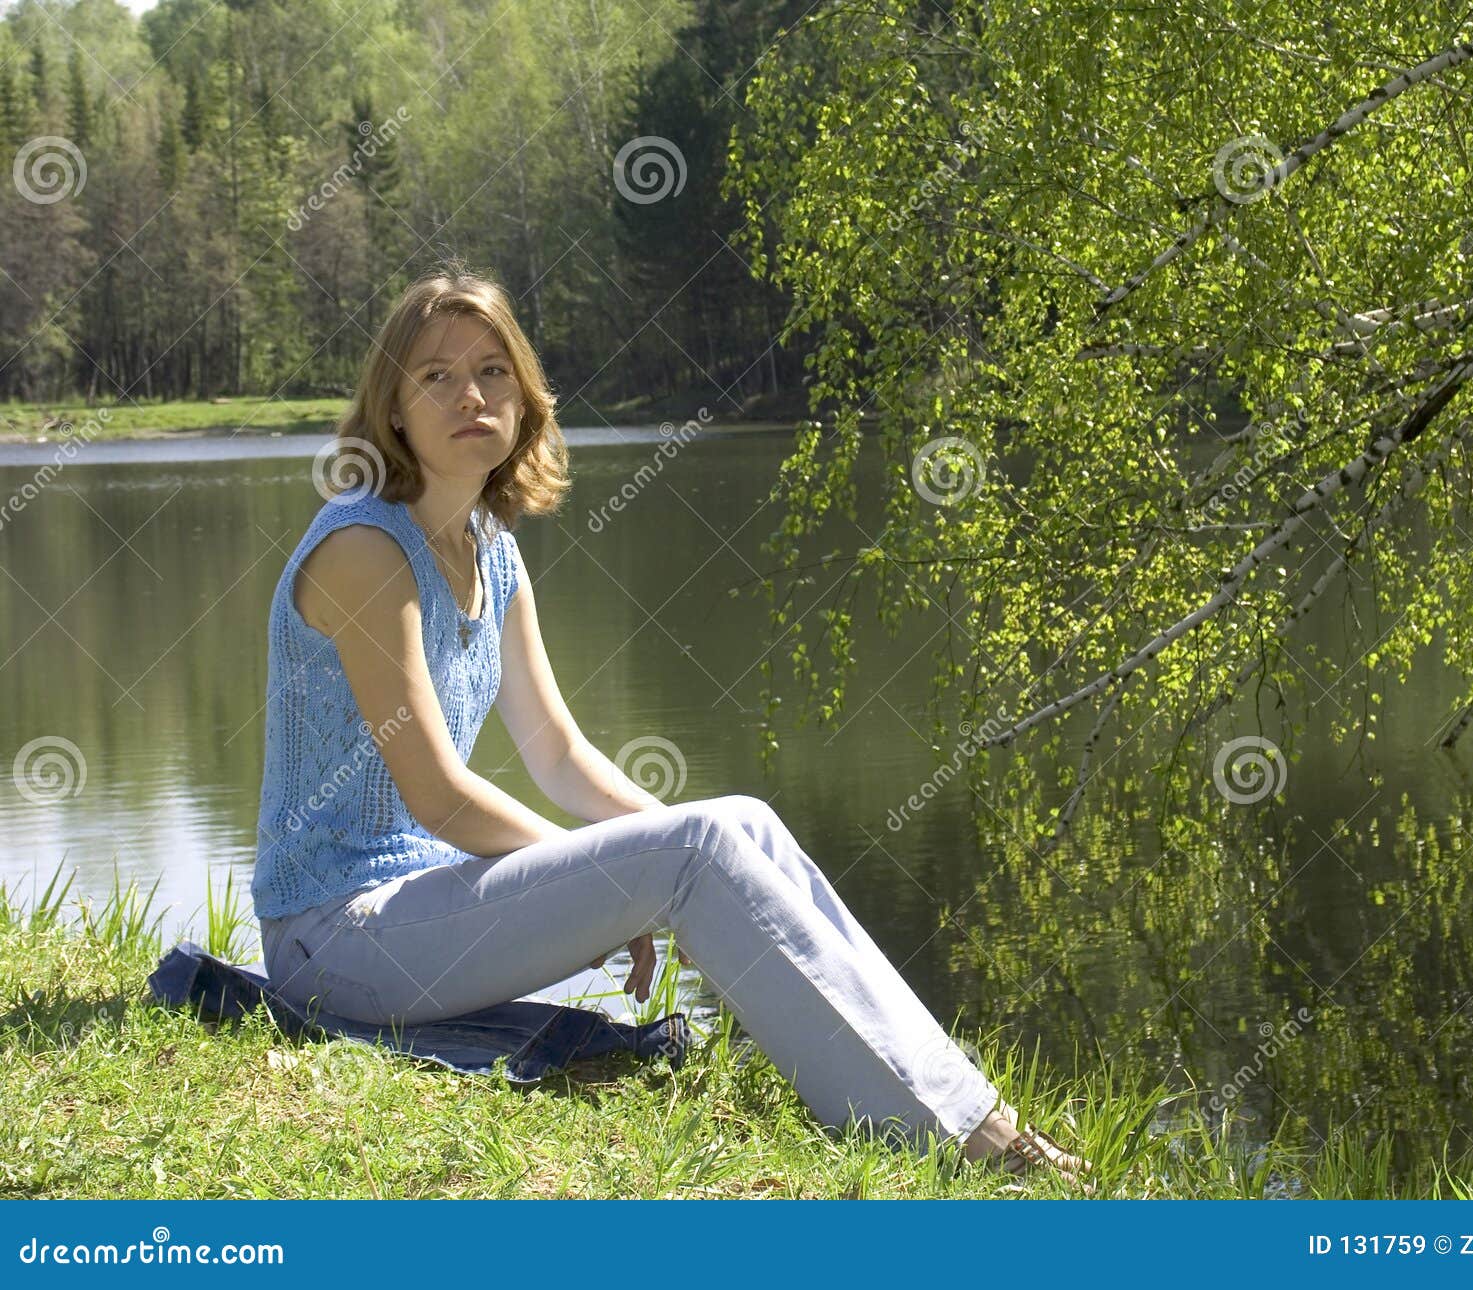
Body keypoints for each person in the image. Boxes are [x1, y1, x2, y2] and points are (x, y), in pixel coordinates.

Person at [250, 261, 1088, 1186]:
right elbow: (438, 794)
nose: (471, 395)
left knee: (741, 825)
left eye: (493, 371)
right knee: (690, 849)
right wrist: (621, 881)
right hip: (334, 942)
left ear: (524, 400)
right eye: (437, 376)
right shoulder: (365, 547)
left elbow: (559, 753)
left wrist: (645, 854)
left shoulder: (492, 550)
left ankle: (972, 1114)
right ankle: (962, 1146)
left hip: (421, 918)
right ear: (392, 408)